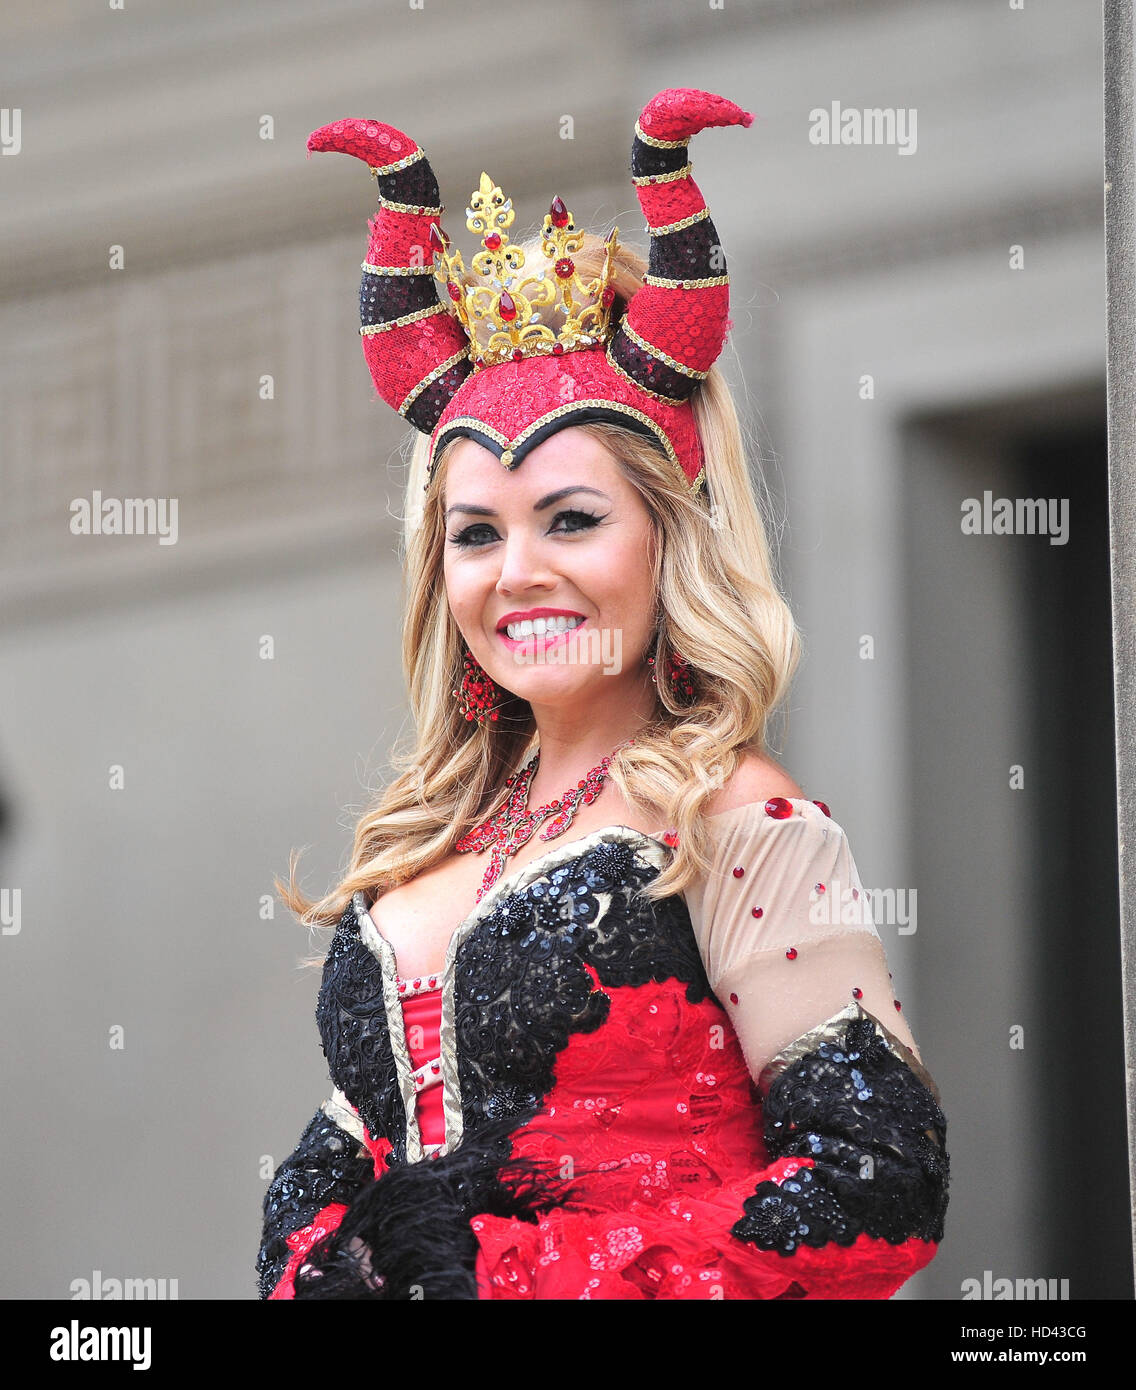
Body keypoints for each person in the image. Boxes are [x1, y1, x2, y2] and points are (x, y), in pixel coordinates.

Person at [256, 88, 949, 1301]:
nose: (518, 571)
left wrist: (508, 1280)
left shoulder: (733, 816)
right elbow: (334, 1173)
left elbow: (871, 1189)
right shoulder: (420, 846)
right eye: (475, 534)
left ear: (664, 544)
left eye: (570, 520)